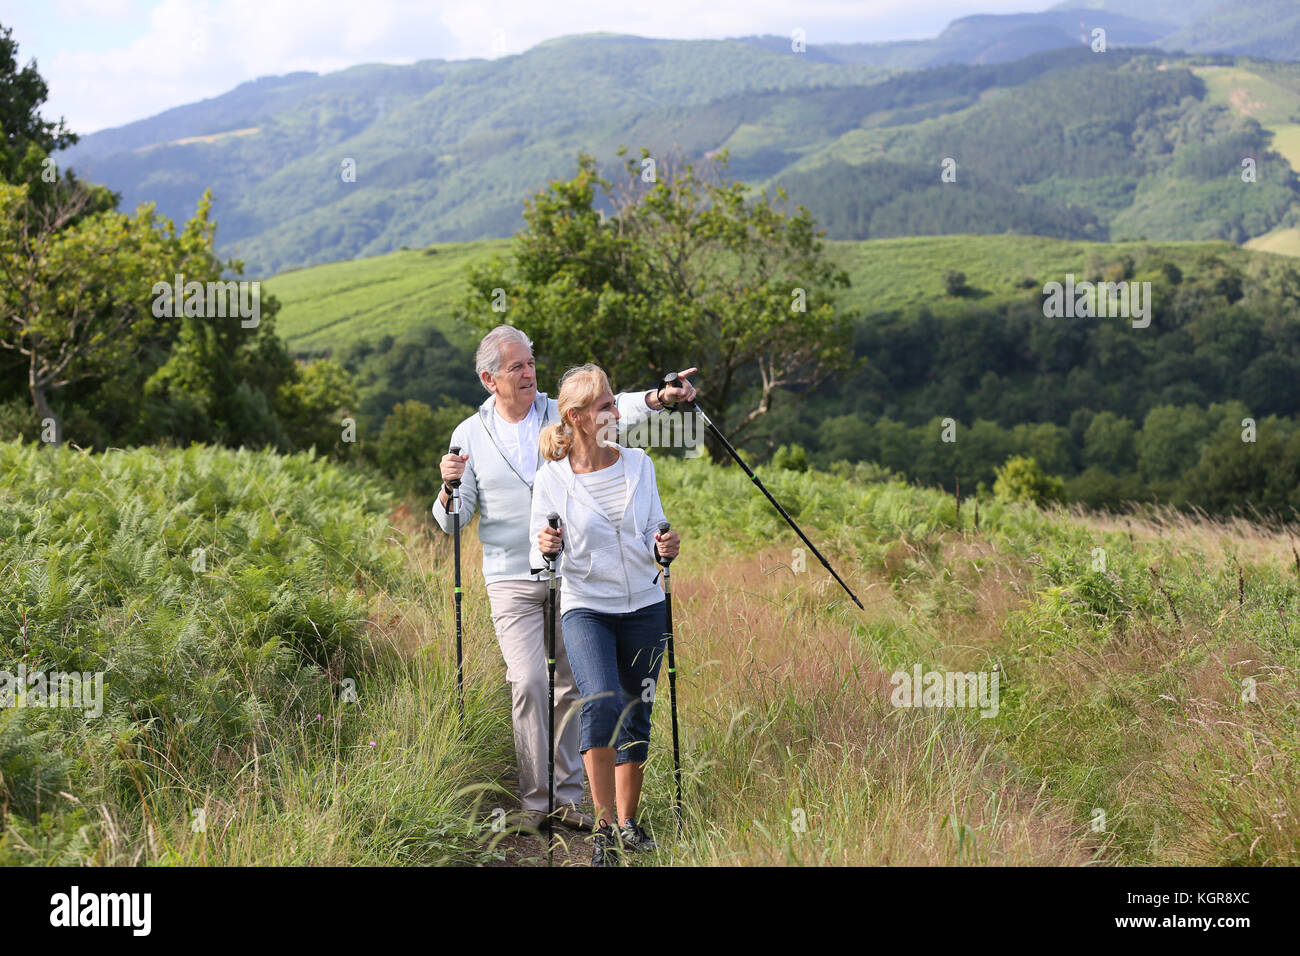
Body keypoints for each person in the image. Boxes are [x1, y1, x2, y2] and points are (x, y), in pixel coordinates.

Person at [432, 325, 696, 836]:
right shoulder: (469, 433)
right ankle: (539, 799)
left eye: (531, 362)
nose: (529, 373)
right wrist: (448, 487)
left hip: (572, 575)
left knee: (574, 686)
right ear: (490, 379)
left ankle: (573, 799)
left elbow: (612, 404)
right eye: (517, 367)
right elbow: (453, 519)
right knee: (531, 681)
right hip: (510, 575)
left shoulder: (560, 410)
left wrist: (660, 397)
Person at [530, 364, 681, 866]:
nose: (615, 411)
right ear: (575, 416)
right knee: (601, 700)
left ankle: (629, 822)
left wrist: (665, 544)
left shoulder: (639, 464)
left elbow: (654, 530)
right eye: (605, 406)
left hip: (645, 602)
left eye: (615, 402)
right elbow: (540, 556)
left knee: (637, 708)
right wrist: (547, 546)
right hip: (587, 605)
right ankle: (603, 828)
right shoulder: (551, 480)